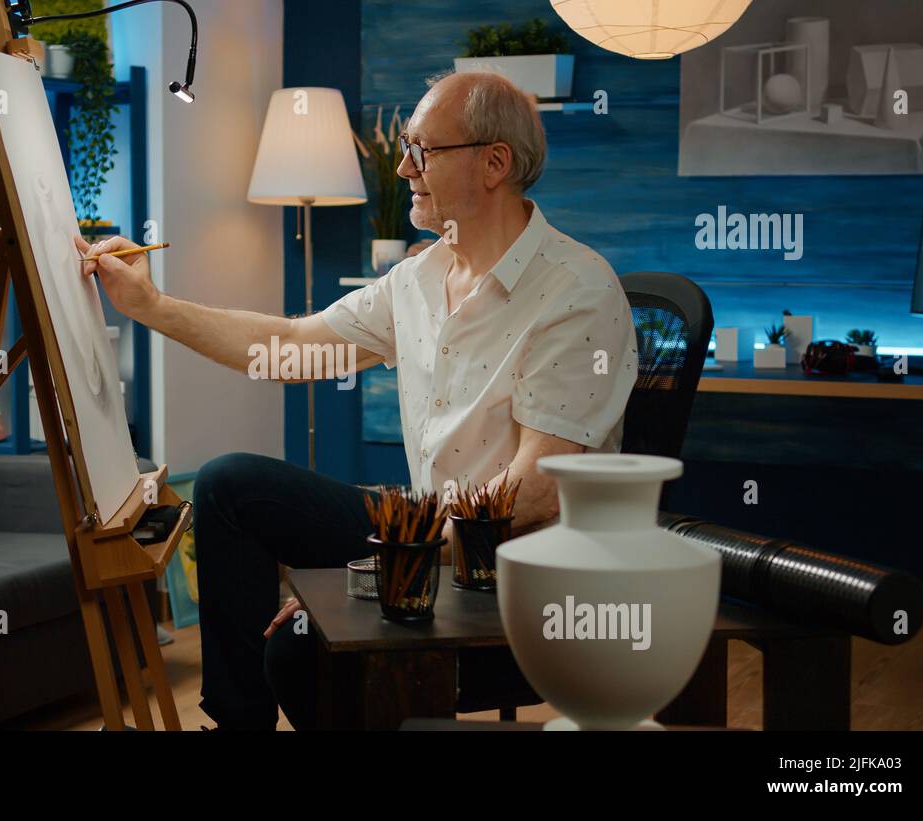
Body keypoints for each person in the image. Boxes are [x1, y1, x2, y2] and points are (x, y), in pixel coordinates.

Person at [76, 71, 637, 730]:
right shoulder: (420, 279)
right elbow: (287, 347)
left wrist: (373, 573)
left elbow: (534, 493)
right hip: (433, 535)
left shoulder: (576, 291)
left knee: (298, 651)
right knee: (229, 485)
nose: (402, 167)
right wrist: (153, 306)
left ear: (495, 163)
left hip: (517, 579)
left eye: (423, 150)